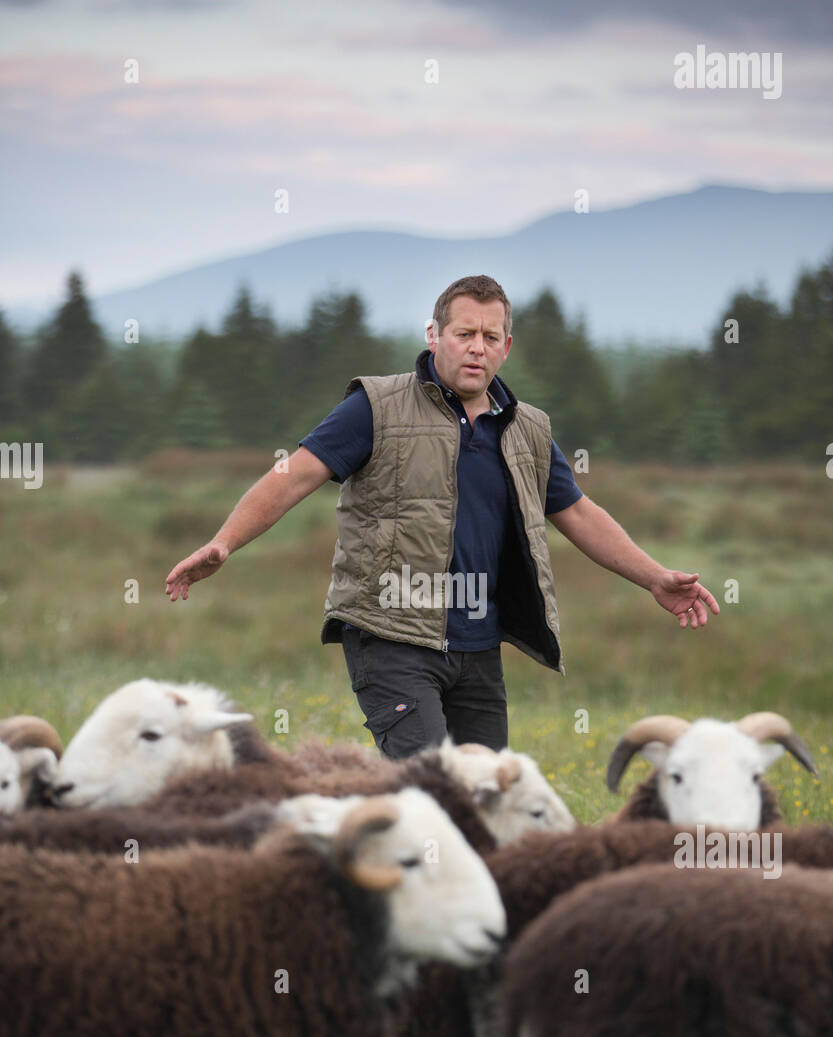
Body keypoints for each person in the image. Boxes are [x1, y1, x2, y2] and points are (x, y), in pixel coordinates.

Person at [165, 274, 719, 757]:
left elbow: (577, 513)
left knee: (484, 795)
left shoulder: (527, 429)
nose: (477, 348)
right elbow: (293, 475)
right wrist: (225, 542)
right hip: (391, 633)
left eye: (490, 337)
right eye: (464, 334)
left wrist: (654, 577)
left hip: (478, 645)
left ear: (506, 347)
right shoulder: (376, 408)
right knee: (431, 786)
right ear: (434, 336)